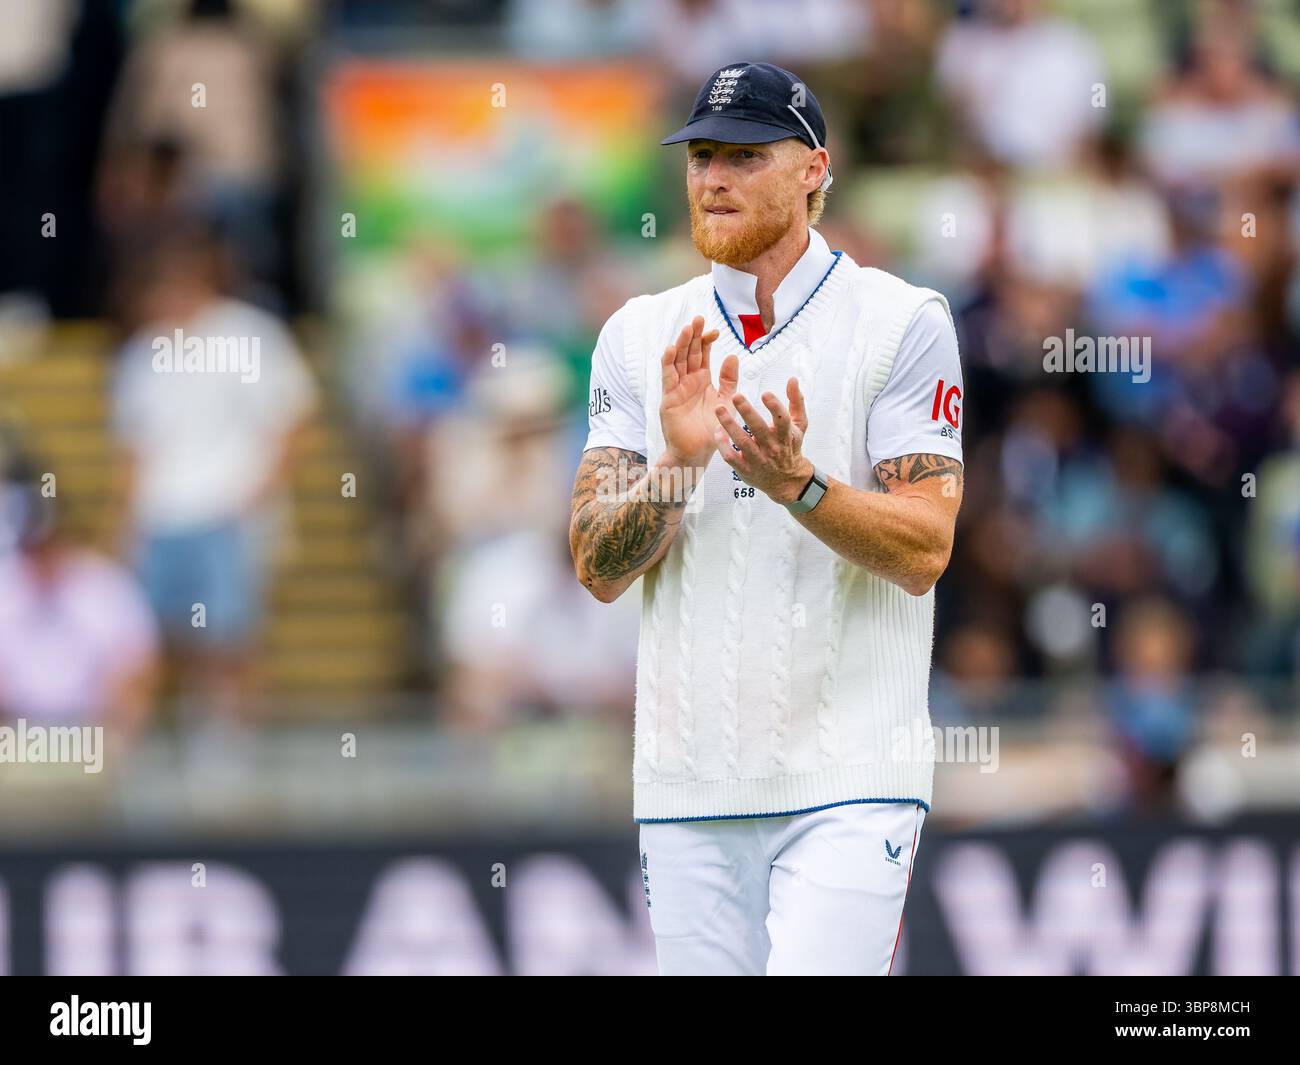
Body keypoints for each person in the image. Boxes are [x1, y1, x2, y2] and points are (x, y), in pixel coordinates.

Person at [567, 62, 964, 975]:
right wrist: (677, 465)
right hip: (686, 783)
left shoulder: (901, 322)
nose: (713, 177)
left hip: (851, 779)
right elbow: (596, 567)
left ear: (815, 168)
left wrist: (801, 486)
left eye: (745, 155)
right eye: (703, 154)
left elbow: (925, 548)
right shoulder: (637, 334)